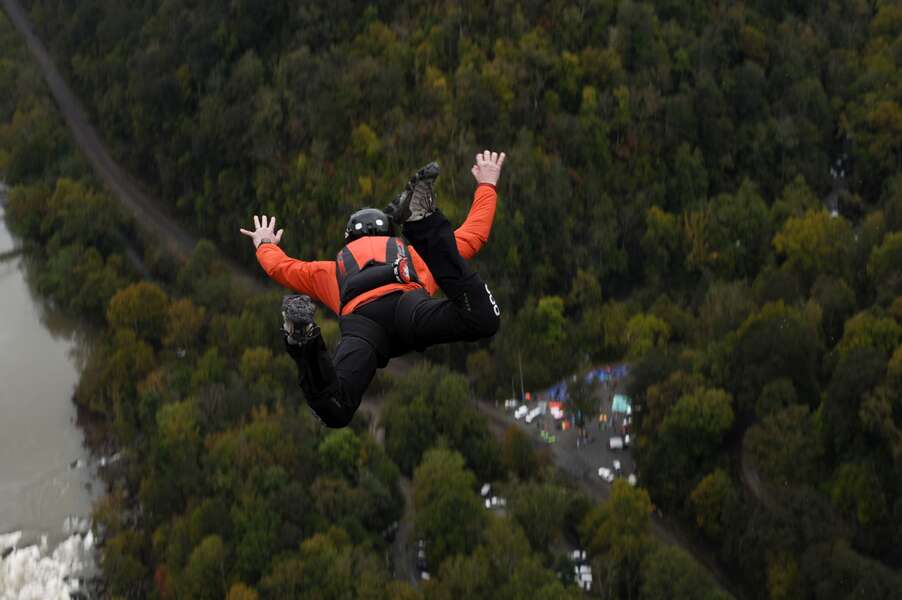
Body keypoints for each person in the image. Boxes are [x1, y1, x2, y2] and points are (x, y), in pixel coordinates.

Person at [240, 150, 506, 427]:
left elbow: (282, 268)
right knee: (483, 319)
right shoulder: (413, 257)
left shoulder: (330, 271)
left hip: (364, 327)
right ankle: (424, 225)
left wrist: (265, 243)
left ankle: (303, 341)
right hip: (409, 307)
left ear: (349, 239)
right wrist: (487, 184)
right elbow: (475, 234)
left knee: (335, 407)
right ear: (388, 236)